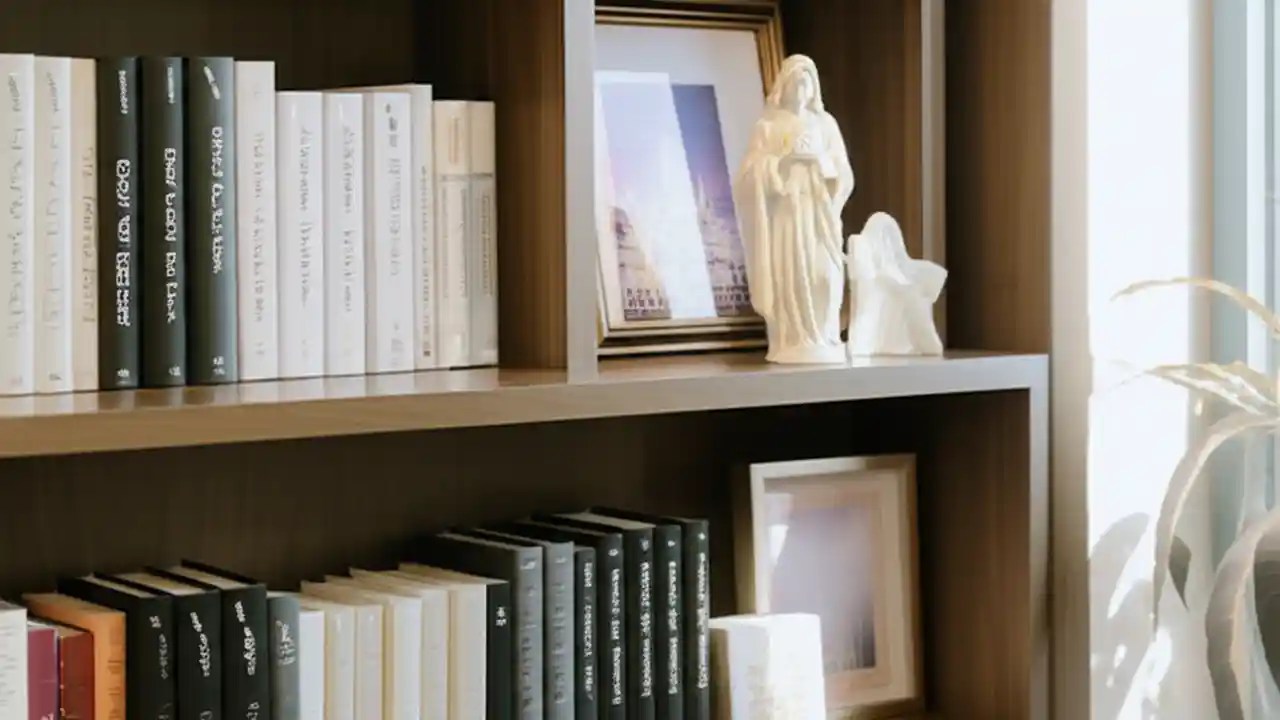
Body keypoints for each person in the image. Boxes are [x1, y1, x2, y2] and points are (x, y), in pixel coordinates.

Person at [734, 54, 855, 363]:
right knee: (791, 276)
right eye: (795, 82)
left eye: (807, 82)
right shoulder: (767, 127)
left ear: (814, 88)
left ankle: (824, 334)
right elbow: (748, 175)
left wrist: (820, 162)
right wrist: (783, 163)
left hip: (818, 215)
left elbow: (845, 173)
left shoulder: (826, 125)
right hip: (788, 215)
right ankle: (793, 337)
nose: (801, 89)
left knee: (824, 273)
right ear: (784, 86)